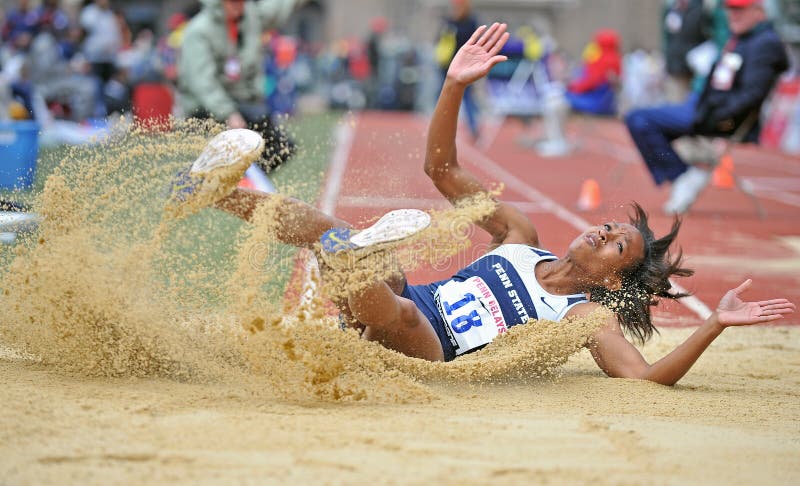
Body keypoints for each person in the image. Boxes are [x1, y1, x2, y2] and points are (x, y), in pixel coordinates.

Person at [175, 23, 794, 384]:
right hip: (400, 306)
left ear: (617, 278)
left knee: (391, 300)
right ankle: (222, 196)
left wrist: (713, 323)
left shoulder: (585, 319)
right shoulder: (521, 236)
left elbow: (640, 379)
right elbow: (439, 168)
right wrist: (453, 86)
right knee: (355, 252)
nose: (599, 236)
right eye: (606, 227)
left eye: (615, 246)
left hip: (427, 353)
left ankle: (353, 259)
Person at [625, 0, 789, 215]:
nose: (733, 15)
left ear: (759, 12)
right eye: (731, 9)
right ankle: (684, 176)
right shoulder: (742, 38)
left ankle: (683, 177)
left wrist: (715, 115)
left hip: (714, 115)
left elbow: (752, 94)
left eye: (740, 10)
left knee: (640, 119)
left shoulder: (763, 43)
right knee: (638, 118)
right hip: (703, 107)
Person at [177, 0, 306, 173]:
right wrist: (228, 113)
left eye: (242, 2)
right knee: (213, 163)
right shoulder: (198, 31)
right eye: (233, 2)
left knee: (279, 148)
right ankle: (206, 185)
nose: (238, 6)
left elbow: (279, 6)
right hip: (206, 108)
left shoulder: (251, 18)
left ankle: (242, 188)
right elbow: (203, 82)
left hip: (244, 104)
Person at [435, 0, 480, 140]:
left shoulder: (470, 22)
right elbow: (438, 41)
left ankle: (473, 127)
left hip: (463, 66)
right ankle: (441, 127)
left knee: (466, 98)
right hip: (447, 65)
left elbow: (473, 42)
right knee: (443, 97)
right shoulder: (448, 21)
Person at [565, 29, 622, 116]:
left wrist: (574, 88)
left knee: (563, 97)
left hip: (597, 102)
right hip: (609, 103)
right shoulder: (616, 58)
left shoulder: (602, 60)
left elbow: (592, 81)